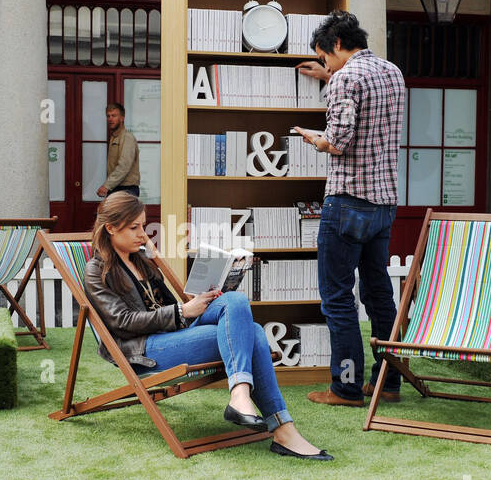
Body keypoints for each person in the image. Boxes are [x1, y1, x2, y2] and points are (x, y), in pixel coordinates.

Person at [84, 192, 331, 460]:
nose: (143, 235)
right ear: (110, 228)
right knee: (255, 333)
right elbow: (122, 323)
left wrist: (177, 280)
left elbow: (171, 306)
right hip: (144, 350)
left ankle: (241, 397)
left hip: (173, 334)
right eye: (134, 228)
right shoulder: (97, 271)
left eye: (143, 226)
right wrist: (182, 311)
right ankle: (283, 430)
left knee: (235, 301)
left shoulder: (142, 260)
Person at [290, 10, 405, 408]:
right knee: (378, 295)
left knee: (338, 299)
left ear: (337, 44)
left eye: (324, 57)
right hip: (384, 204)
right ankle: (388, 382)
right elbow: (368, 109)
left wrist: (310, 137)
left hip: (347, 202)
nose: (326, 65)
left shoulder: (344, 78)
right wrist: (328, 78)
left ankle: (345, 388)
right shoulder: (392, 72)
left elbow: (338, 142)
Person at [96, 102, 140, 198]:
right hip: (116, 188)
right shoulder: (114, 137)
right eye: (108, 116)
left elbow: (124, 166)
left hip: (127, 190)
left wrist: (107, 185)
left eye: (114, 116)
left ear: (122, 118)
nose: (110, 119)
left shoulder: (127, 138)